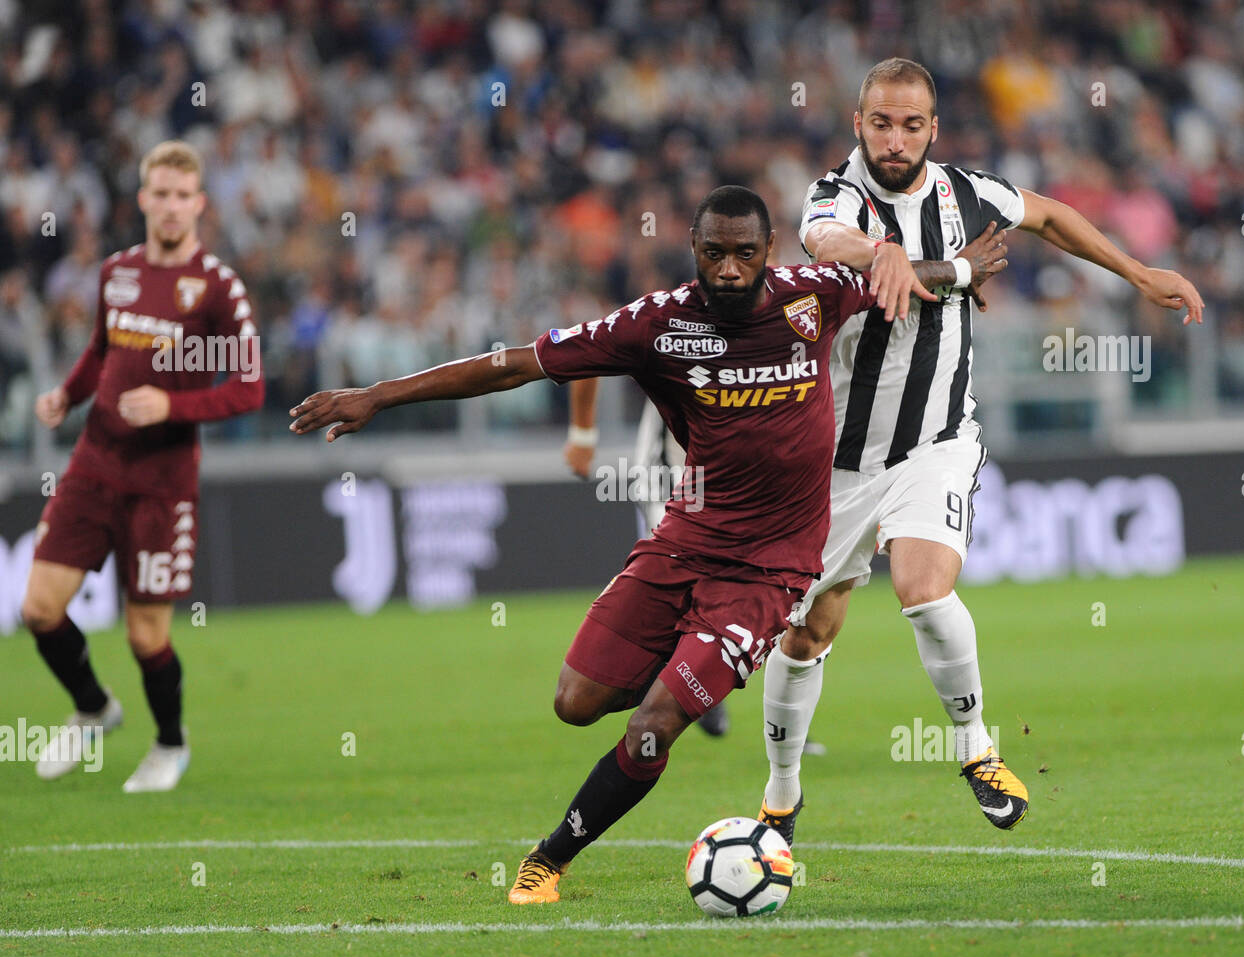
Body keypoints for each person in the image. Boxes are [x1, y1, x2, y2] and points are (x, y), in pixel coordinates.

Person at [290, 186, 994, 903]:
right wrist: (378, 394)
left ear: (768, 253)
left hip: (771, 569)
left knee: (658, 721)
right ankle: (690, 654)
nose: (727, 269)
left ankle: (549, 857)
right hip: (683, 541)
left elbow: (899, 276)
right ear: (693, 249)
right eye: (713, 253)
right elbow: (515, 364)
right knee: (575, 701)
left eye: (743, 254)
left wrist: (962, 272)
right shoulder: (657, 323)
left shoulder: (814, 296)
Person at [757, 58, 1205, 842]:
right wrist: (880, 253)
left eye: (912, 124)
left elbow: (1052, 215)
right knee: (806, 633)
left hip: (936, 441)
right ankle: (781, 794)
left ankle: (974, 746)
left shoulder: (969, 193)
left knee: (924, 588)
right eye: (881, 123)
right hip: (835, 462)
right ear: (858, 123)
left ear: (934, 127)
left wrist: (1136, 271)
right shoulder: (835, 196)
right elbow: (830, 240)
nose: (896, 138)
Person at [23, 140, 264, 791]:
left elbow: (249, 388)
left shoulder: (218, 289)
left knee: (143, 634)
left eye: (182, 195)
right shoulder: (117, 272)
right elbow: (102, 352)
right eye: (159, 193)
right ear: (142, 198)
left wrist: (170, 403)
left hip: (161, 484)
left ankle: (168, 742)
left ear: (199, 204)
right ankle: (95, 707)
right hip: (93, 464)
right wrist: (65, 396)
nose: (170, 206)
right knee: (40, 609)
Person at [562, 385, 733, 737]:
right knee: (682, 572)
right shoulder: (668, 329)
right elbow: (588, 347)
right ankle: (680, 682)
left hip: (742, 473)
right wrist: (582, 433)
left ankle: (784, 715)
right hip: (673, 470)